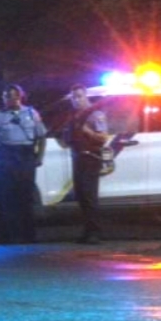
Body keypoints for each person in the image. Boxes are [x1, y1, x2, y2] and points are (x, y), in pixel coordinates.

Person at [0, 84, 47, 243]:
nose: (8, 99)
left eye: (12, 96)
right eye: (5, 96)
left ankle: (28, 235)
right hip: (7, 156)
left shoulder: (31, 113)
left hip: (25, 156)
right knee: (7, 196)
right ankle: (11, 235)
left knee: (25, 196)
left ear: (19, 96)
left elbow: (42, 136)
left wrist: (39, 156)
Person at [65, 84, 108, 244]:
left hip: (91, 158)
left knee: (89, 196)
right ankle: (88, 231)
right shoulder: (74, 116)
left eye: (79, 96)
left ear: (86, 96)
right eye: (73, 97)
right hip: (78, 157)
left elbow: (103, 137)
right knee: (81, 195)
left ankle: (95, 233)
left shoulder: (94, 114)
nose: (76, 100)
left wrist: (87, 131)